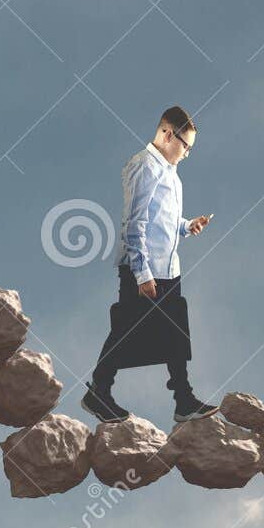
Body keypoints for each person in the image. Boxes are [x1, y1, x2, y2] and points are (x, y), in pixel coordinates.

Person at [82, 105, 218, 426]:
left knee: (174, 331)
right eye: (185, 145)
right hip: (143, 271)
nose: (187, 153)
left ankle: (183, 399)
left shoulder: (170, 171)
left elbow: (162, 220)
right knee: (126, 329)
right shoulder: (145, 166)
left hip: (168, 269)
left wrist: (187, 226)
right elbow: (134, 224)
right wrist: (142, 273)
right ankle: (99, 393)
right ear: (167, 133)